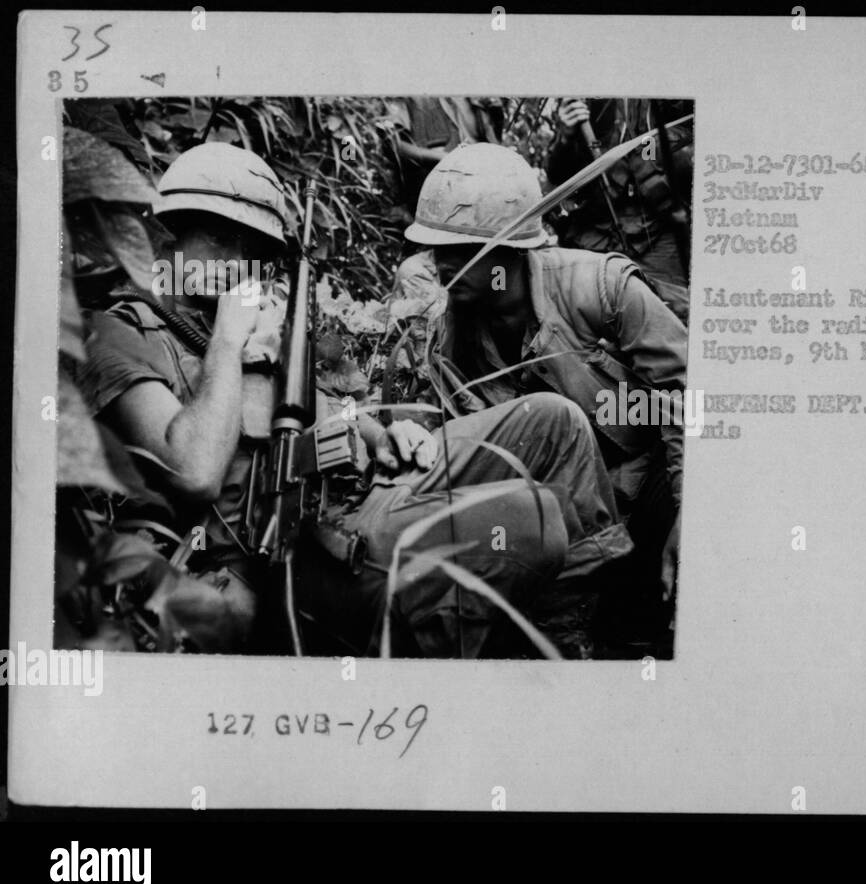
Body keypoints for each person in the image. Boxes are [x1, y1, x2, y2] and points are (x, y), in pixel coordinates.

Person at [77, 141, 631, 658]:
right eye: (220, 239)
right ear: (165, 238)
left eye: (252, 250)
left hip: (344, 508)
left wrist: (379, 431)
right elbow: (192, 472)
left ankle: (572, 635)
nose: (238, 263)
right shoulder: (118, 334)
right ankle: (445, 659)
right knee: (532, 517)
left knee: (551, 420)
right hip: (274, 563)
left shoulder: (239, 327)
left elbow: (319, 409)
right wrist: (228, 344)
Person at [405, 143, 688, 655]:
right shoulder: (450, 336)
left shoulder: (600, 287)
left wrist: (689, 514)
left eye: (459, 251)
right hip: (563, 513)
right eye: (435, 250)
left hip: (649, 483)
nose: (441, 266)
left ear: (509, 250)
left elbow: (688, 395)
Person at [545, 98, 693, 322]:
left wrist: (652, 154)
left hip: (659, 233)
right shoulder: (587, 96)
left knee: (672, 319)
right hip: (597, 235)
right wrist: (565, 136)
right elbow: (557, 174)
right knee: (595, 320)